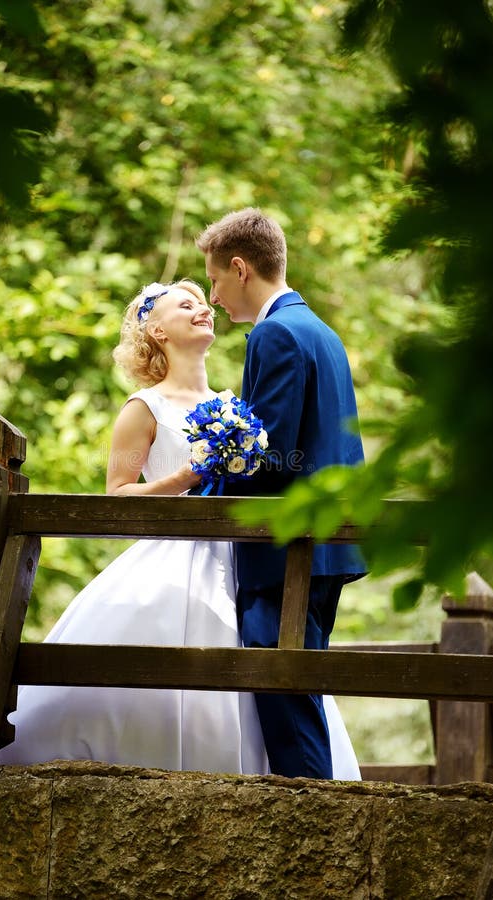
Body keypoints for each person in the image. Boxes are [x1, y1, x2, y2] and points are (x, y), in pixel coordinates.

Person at [0, 278, 360, 779]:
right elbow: (117, 494)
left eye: (204, 302)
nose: (204, 309)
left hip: (243, 558)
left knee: (272, 666)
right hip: (170, 559)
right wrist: (185, 478)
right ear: (156, 330)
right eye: (185, 305)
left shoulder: (234, 405)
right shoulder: (143, 408)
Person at [196, 208, 366, 779]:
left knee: (284, 697)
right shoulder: (320, 331)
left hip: (288, 551)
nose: (214, 297)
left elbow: (269, 459)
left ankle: (316, 828)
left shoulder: (275, 333)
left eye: (215, 281)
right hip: (326, 546)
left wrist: (208, 482)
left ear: (240, 269)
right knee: (301, 694)